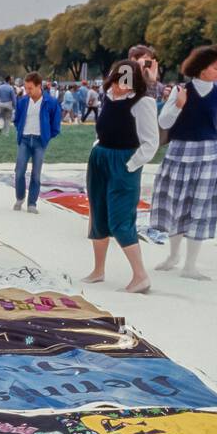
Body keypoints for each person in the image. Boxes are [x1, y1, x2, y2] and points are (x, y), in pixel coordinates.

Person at [150, 45, 217, 280]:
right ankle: (173, 256)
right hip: (178, 153)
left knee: (200, 208)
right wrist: (178, 105)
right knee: (176, 205)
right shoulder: (180, 90)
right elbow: (164, 122)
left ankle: (190, 265)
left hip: (208, 156)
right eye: (216, 66)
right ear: (201, 67)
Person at [81, 59, 159, 293]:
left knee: (121, 219)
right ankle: (98, 270)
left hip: (123, 162)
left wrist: (130, 165)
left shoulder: (143, 103)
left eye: (124, 83)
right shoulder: (109, 98)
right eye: (116, 82)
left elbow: (151, 143)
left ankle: (140, 275)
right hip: (100, 158)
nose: (119, 87)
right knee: (98, 213)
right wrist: (97, 148)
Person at [12, 71, 63, 212]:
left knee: (36, 174)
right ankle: (20, 197)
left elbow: (55, 124)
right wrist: (21, 131)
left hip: (40, 141)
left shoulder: (50, 102)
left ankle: (32, 203)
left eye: (30, 88)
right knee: (19, 171)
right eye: (26, 88)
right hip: (25, 140)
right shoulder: (22, 101)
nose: (27, 91)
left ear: (39, 86)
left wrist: (47, 136)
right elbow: (17, 120)